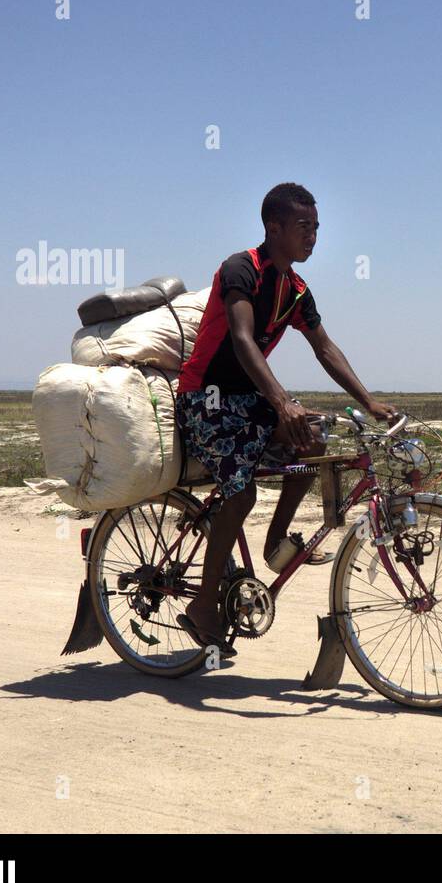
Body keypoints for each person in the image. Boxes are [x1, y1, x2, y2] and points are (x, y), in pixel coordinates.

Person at [173, 182, 397, 654]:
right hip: (206, 401)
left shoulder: (296, 290)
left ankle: (277, 542)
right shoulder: (242, 270)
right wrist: (281, 403)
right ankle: (202, 606)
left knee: (313, 441)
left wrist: (369, 400)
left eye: (316, 228)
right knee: (241, 494)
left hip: (251, 401)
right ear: (273, 228)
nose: (312, 237)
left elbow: (324, 347)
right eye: (303, 228)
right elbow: (241, 337)